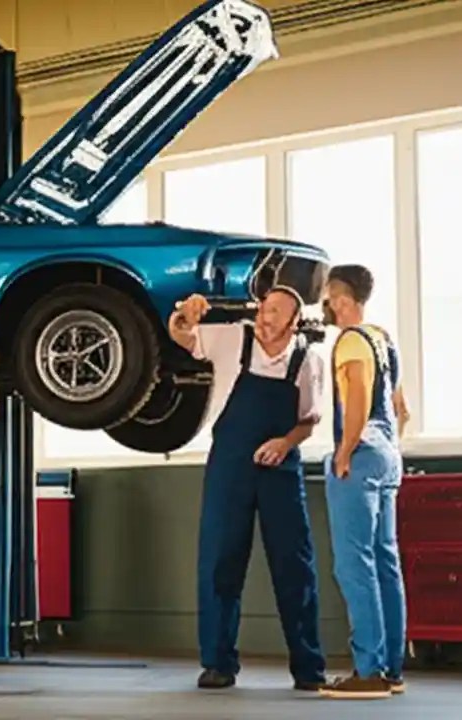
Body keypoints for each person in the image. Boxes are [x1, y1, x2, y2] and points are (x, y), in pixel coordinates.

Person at [168, 287, 327, 692]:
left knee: (295, 566)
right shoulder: (232, 338)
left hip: (280, 469)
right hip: (230, 465)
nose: (264, 316)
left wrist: (285, 443)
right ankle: (218, 664)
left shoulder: (307, 359)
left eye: (275, 311)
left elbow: (309, 420)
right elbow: (181, 334)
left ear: (294, 322)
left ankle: (309, 668)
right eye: (263, 307)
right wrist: (185, 313)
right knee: (220, 560)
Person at [317, 264, 410, 700]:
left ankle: (367, 670)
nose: (328, 305)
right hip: (389, 456)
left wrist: (344, 449)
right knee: (385, 562)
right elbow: (401, 410)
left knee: (353, 564)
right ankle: (391, 668)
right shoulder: (383, 339)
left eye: (330, 297)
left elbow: (356, 393)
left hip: (361, 455)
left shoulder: (351, 341)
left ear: (341, 297)